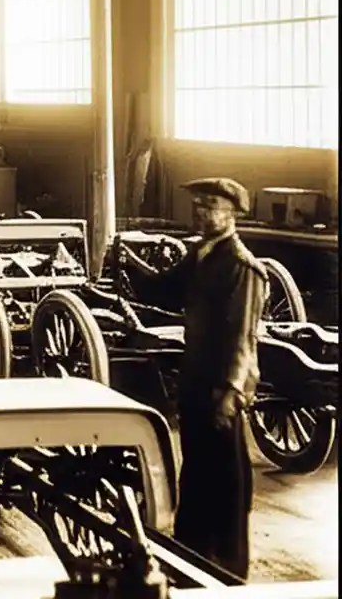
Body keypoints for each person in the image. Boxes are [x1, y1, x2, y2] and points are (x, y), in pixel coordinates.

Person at [120, 177, 266, 580]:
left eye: (212, 205)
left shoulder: (241, 267)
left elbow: (242, 337)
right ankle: (193, 558)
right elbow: (166, 291)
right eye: (198, 205)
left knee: (227, 481)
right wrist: (131, 267)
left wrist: (231, 392)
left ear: (233, 212)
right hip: (196, 380)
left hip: (221, 387)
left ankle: (228, 569)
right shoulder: (200, 254)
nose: (202, 212)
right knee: (198, 471)